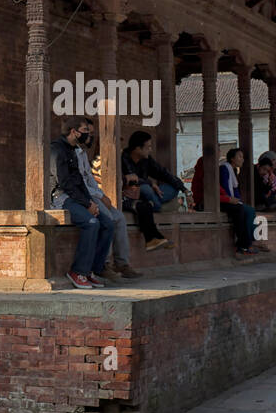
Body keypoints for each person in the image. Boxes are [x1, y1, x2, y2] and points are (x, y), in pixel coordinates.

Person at [50, 117, 115, 289]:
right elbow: (64, 183)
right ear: (74, 132)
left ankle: (90, 271)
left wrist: (90, 202)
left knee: (107, 223)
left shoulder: (73, 150)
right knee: (91, 223)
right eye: (85, 131)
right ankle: (77, 271)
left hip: (77, 197)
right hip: (60, 198)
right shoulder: (57, 150)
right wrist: (87, 204)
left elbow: (79, 180)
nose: (88, 135)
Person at [74, 119, 144, 276]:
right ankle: (103, 263)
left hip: (94, 193)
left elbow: (89, 179)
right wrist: (99, 195)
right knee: (108, 218)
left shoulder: (83, 154)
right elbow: (80, 182)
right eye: (88, 133)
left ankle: (122, 263)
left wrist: (102, 195)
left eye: (92, 134)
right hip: (83, 196)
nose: (89, 137)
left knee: (119, 217)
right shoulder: (74, 153)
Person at [122, 131, 187, 211]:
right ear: (138, 148)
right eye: (148, 147)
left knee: (173, 188)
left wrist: (185, 190)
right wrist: (150, 183)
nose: (151, 150)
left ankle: (151, 204)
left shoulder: (146, 159)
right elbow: (133, 181)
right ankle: (158, 207)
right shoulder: (124, 158)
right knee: (145, 189)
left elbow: (163, 172)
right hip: (132, 194)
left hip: (148, 194)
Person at [219, 147, 260, 258]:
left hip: (232, 200)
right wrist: (234, 201)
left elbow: (235, 191)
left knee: (250, 210)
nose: (242, 159)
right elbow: (226, 188)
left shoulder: (233, 170)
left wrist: (238, 201)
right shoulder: (224, 168)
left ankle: (249, 242)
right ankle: (245, 244)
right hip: (224, 200)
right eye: (240, 156)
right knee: (246, 210)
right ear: (232, 159)